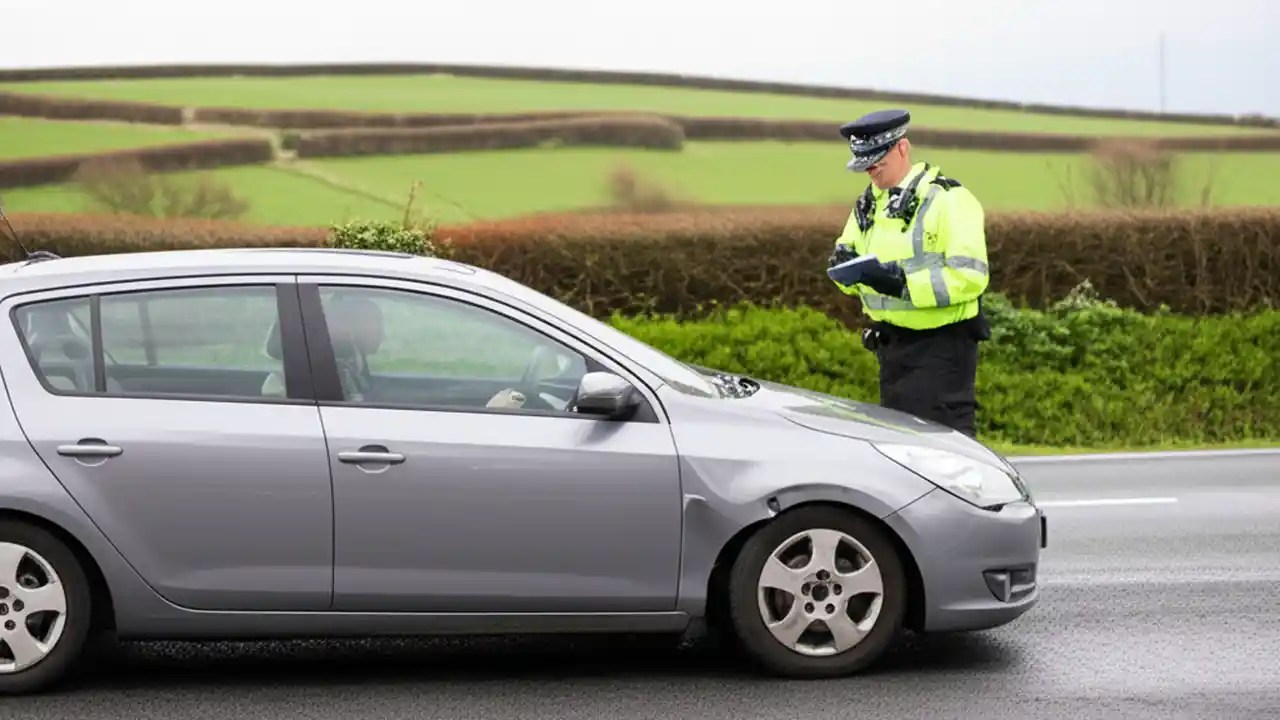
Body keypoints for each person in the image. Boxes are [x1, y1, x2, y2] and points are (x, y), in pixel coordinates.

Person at [826, 109, 991, 438]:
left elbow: (970, 277)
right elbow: (847, 265)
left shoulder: (950, 200)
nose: (870, 172)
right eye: (865, 166)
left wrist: (901, 284)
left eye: (876, 163)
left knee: (945, 452)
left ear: (902, 148)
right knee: (903, 452)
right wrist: (845, 268)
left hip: (941, 348)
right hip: (892, 348)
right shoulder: (868, 205)